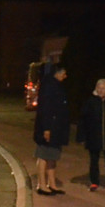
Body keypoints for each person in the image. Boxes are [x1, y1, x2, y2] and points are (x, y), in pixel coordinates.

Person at [77, 78, 105, 192]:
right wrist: (82, 136)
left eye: (104, 88)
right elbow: (83, 119)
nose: (101, 90)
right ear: (96, 88)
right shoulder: (90, 102)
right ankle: (94, 182)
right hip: (93, 136)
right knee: (94, 160)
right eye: (99, 88)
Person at [33, 62, 69, 195]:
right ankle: (41, 185)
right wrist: (46, 129)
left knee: (52, 156)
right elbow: (46, 109)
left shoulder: (54, 85)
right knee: (43, 156)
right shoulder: (49, 86)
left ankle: (51, 183)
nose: (65, 76)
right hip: (49, 128)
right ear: (58, 73)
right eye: (64, 74)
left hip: (55, 128)